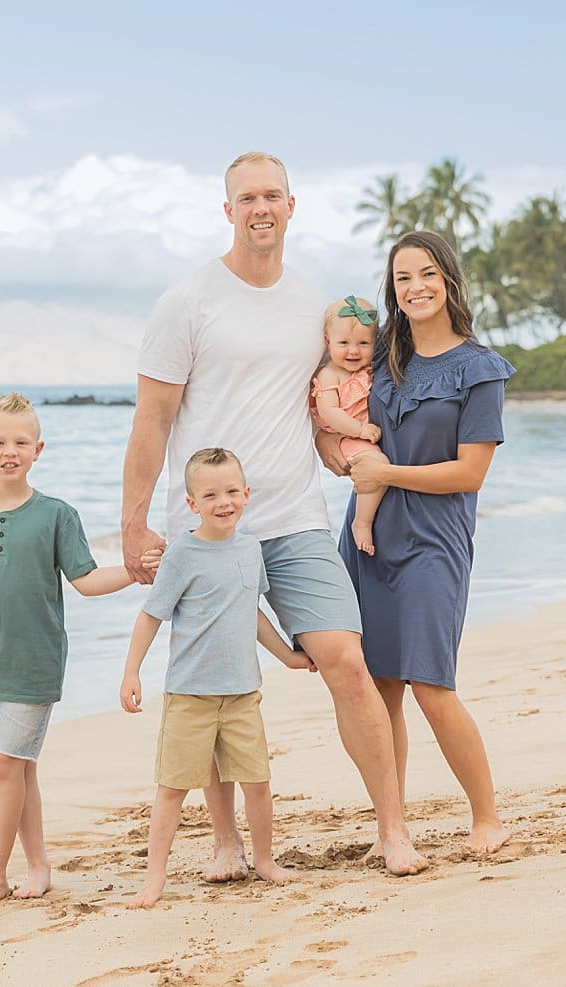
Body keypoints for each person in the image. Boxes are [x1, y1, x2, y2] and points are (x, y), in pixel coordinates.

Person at [121, 151, 428, 878]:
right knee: (211, 685)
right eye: (247, 197)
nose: (261, 207)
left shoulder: (313, 307)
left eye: (273, 195)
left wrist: (338, 447)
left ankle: (393, 828)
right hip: (208, 528)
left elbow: (330, 391)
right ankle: (227, 843)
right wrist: (134, 524)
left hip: (295, 517)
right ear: (227, 211)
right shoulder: (187, 300)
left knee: (347, 662)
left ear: (293, 206)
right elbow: (151, 420)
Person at [339, 230, 515, 855]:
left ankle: (487, 817)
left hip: (435, 541)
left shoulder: (479, 369)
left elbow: (470, 474)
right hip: (368, 534)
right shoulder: (382, 355)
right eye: (402, 277)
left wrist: (385, 472)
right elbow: (338, 411)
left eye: (426, 275)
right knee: (378, 687)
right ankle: (394, 825)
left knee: (431, 685)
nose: (414, 287)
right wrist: (344, 456)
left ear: (448, 282)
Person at [0, 392, 140, 908]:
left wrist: (136, 572)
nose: (10, 451)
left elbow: (87, 580)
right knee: (17, 769)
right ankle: (39, 867)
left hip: (34, 664)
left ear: (38, 449)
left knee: (5, 766)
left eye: (21, 442)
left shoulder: (56, 515)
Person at [119, 448, 311, 907]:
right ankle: (154, 879)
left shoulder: (249, 549)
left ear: (247, 494)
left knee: (258, 783)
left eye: (231, 492)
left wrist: (287, 656)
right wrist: (131, 672)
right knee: (172, 789)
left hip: (244, 694)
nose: (222, 502)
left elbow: (254, 612)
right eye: (210, 494)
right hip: (190, 696)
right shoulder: (182, 555)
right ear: (192, 503)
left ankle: (263, 861)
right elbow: (151, 616)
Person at [311, 295, 391, 556]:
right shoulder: (329, 374)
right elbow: (329, 412)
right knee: (378, 467)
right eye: (343, 343)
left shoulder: (367, 371)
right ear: (328, 342)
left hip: (359, 435)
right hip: (345, 437)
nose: (353, 351)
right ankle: (362, 522)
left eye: (363, 343)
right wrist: (360, 430)